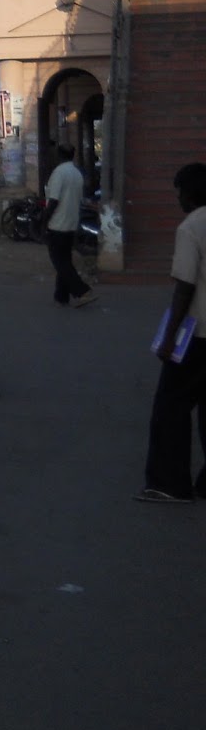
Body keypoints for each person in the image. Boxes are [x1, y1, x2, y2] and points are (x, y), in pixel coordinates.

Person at [135, 162, 206, 503]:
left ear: (190, 194)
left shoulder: (191, 227)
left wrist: (168, 338)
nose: (178, 199)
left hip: (198, 334)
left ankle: (168, 483)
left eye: (179, 192)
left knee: (171, 406)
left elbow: (184, 288)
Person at [43, 143, 97, 307]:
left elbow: (53, 201)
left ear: (59, 155)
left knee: (60, 261)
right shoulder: (77, 173)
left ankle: (82, 291)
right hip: (72, 222)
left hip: (58, 224)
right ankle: (61, 295)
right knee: (65, 260)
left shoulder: (59, 173)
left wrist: (44, 220)